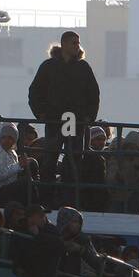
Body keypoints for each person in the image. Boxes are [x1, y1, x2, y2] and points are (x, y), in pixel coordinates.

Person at [27, 30, 100, 186]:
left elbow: (94, 94)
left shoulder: (83, 67)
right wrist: (40, 113)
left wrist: (89, 117)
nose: (77, 46)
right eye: (74, 43)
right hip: (54, 120)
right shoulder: (49, 66)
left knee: (73, 160)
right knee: (50, 160)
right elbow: (35, 91)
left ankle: (69, 197)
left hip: (75, 121)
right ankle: (48, 196)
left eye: (78, 43)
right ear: (64, 44)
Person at [0, 121, 35, 206]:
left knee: (32, 164)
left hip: (3, 187)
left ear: (15, 139)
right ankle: (33, 204)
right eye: (4, 137)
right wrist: (19, 165)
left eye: (10, 138)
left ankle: (35, 201)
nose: (7, 140)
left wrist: (22, 165)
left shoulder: (10, 151)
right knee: (25, 182)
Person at [105, 130, 139, 213]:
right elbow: (110, 178)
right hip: (119, 194)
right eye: (128, 147)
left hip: (136, 194)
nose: (131, 150)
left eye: (134, 148)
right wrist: (118, 176)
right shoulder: (117, 157)